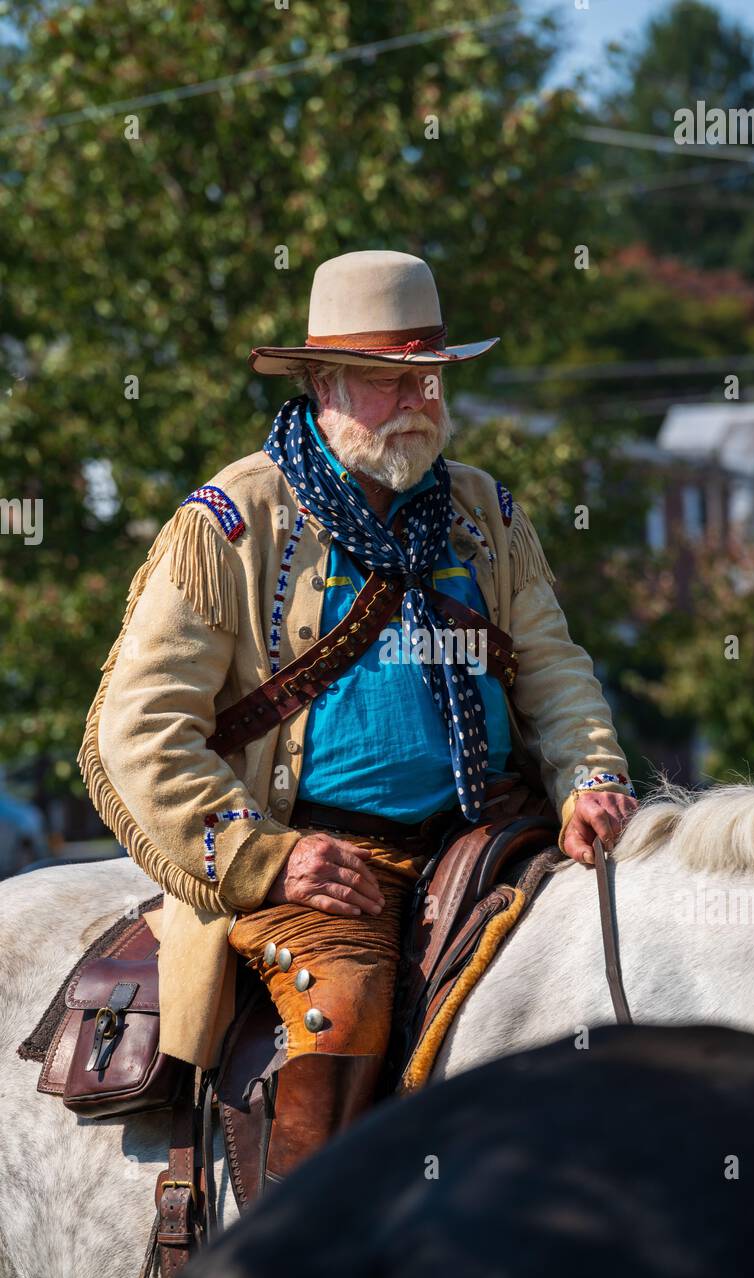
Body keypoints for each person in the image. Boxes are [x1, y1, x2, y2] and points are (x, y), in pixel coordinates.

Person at [77, 249, 637, 1178]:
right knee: (345, 1003)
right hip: (317, 856)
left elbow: (553, 671)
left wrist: (594, 778)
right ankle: (304, 1258)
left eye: (431, 376)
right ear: (326, 383)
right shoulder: (230, 521)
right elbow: (138, 732)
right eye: (389, 380)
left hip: (491, 833)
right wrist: (270, 857)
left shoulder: (485, 513)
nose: (419, 398)